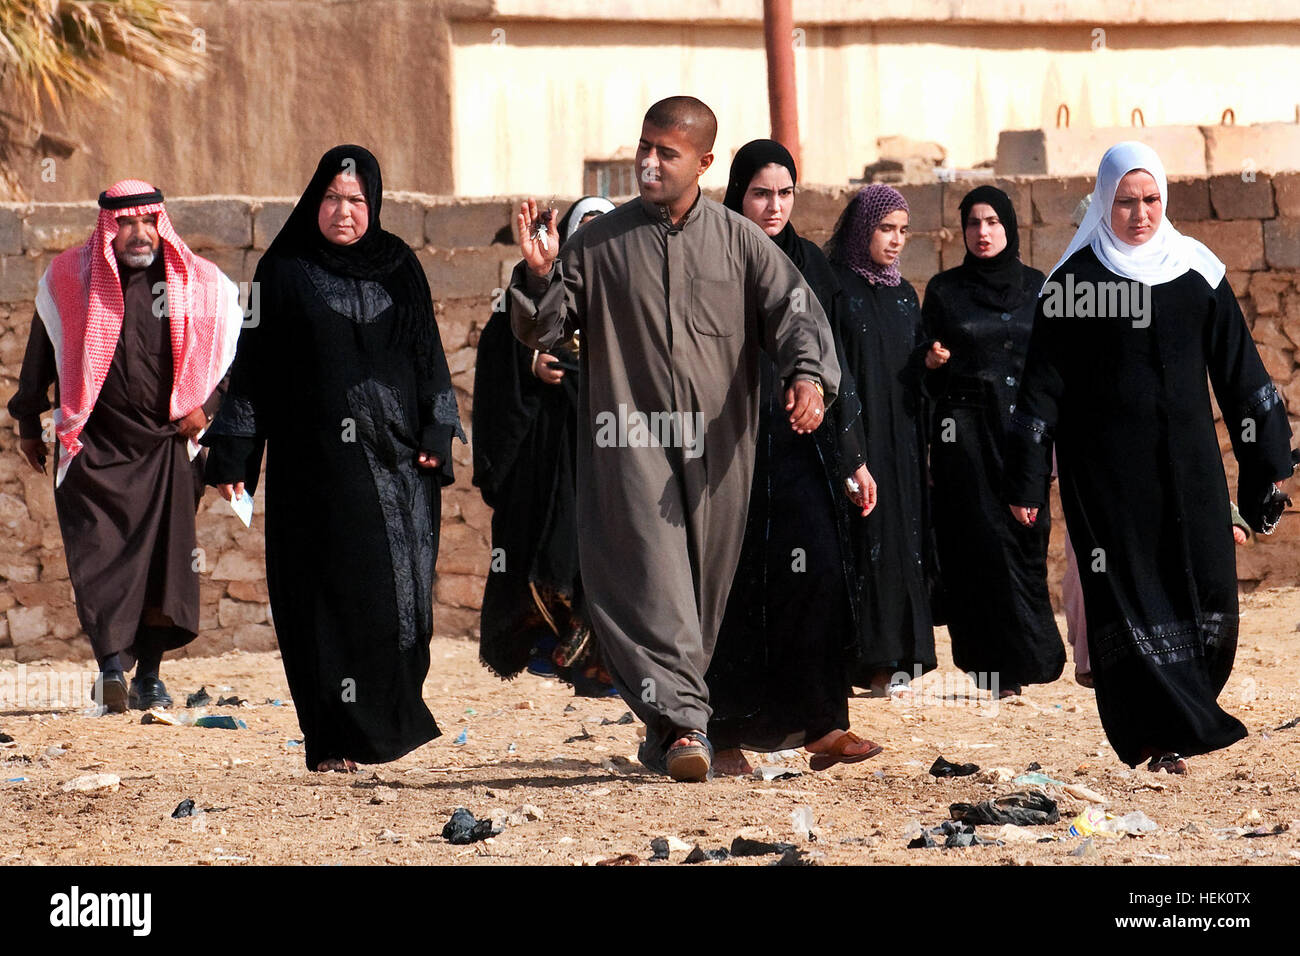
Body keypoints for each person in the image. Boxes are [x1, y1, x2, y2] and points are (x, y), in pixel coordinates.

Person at [509, 97, 840, 781]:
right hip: (629, 443)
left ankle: (666, 731)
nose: (648, 162)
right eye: (643, 147)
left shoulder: (739, 241)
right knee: (652, 580)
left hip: (721, 453)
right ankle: (688, 723)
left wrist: (808, 376)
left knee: (699, 593)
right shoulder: (598, 244)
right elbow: (544, 330)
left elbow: (795, 312)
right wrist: (540, 275)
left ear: (704, 163)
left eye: (667, 152)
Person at [1005, 141, 1294, 774]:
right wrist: (1026, 480)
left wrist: (1266, 460)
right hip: (1106, 477)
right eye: (1126, 202)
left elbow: (1241, 375)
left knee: (1206, 585)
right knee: (1131, 596)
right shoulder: (1075, 284)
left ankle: (1189, 709)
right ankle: (1155, 739)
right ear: (1105, 202)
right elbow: (1041, 389)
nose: (1140, 214)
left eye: (1152, 200)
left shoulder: (1198, 273)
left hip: (1189, 469)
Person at [203, 145, 465, 773]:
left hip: (399, 465)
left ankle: (388, 717)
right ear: (313, 199)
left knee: (397, 596)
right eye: (331, 198)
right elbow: (255, 370)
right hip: (316, 469)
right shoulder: (283, 270)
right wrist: (236, 449)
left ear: (372, 203)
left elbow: (427, 352)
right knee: (324, 597)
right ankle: (335, 738)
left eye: (355, 200)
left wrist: (437, 431)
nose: (343, 211)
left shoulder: (401, 265)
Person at [8, 179, 242, 713]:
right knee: (99, 555)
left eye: (148, 222)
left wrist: (208, 410)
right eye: (126, 224)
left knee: (166, 563)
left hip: (168, 449)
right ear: (107, 228)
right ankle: (112, 668)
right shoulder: (71, 278)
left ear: (162, 223)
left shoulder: (200, 284)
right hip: (94, 447)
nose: (139, 234)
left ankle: (151, 677)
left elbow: (235, 360)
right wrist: (27, 420)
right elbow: (43, 348)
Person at [706, 139, 881, 775]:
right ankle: (720, 734)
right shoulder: (711, 256)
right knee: (731, 586)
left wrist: (853, 458)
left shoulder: (810, 263)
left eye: (784, 193)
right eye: (760, 193)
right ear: (736, 193)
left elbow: (841, 372)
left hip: (803, 448)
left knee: (819, 577)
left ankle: (823, 723)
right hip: (725, 450)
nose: (774, 206)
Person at [921, 185, 1065, 698]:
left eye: (992, 222)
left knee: (1025, 541)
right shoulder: (944, 290)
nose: (982, 233)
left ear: (1009, 227)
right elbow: (923, 373)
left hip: (1024, 436)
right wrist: (932, 363)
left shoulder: (1038, 287)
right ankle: (990, 670)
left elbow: (1051, 369)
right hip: (967, 443)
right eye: (973, 224)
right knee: (977, 551)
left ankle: (1031, 658)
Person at [473, 196, 617, 696]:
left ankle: (602, 658)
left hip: (608, 451)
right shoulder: (539, 281)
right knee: (542, 544)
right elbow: (499, 348)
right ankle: (541, 644)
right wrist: (529, 364)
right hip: (544, 450)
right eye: (586, 231)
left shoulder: (628, 290)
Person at [825, 184, 938, 695]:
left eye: (902, 231)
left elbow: (907, 371)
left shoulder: (903, 294)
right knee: (861, 541)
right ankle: (861, 661)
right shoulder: (837, 289)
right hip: (856, 438)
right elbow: (837, 372)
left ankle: (898, 659)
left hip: (902, 443)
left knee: (901, 543)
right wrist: (852, 453)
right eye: (884, 229)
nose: (895, 241)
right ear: (861, 229)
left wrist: (929, 363)